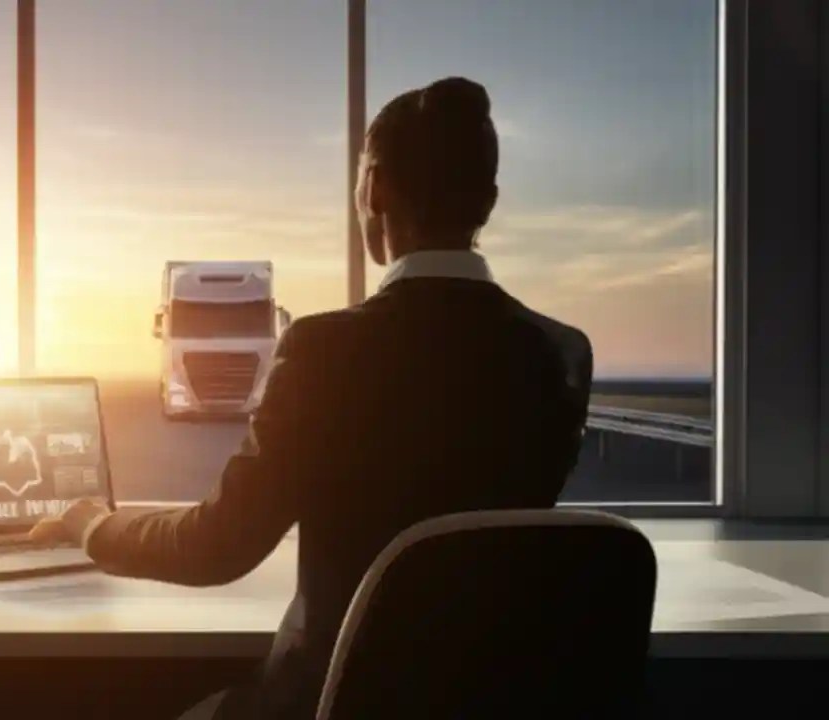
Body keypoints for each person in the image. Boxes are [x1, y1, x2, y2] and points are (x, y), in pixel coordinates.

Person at [31, 76, 593, 720]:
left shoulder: (325, 350)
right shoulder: (563, 354)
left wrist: (91, 527)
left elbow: (218, 547)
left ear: (374, 189)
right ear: (488, 201)